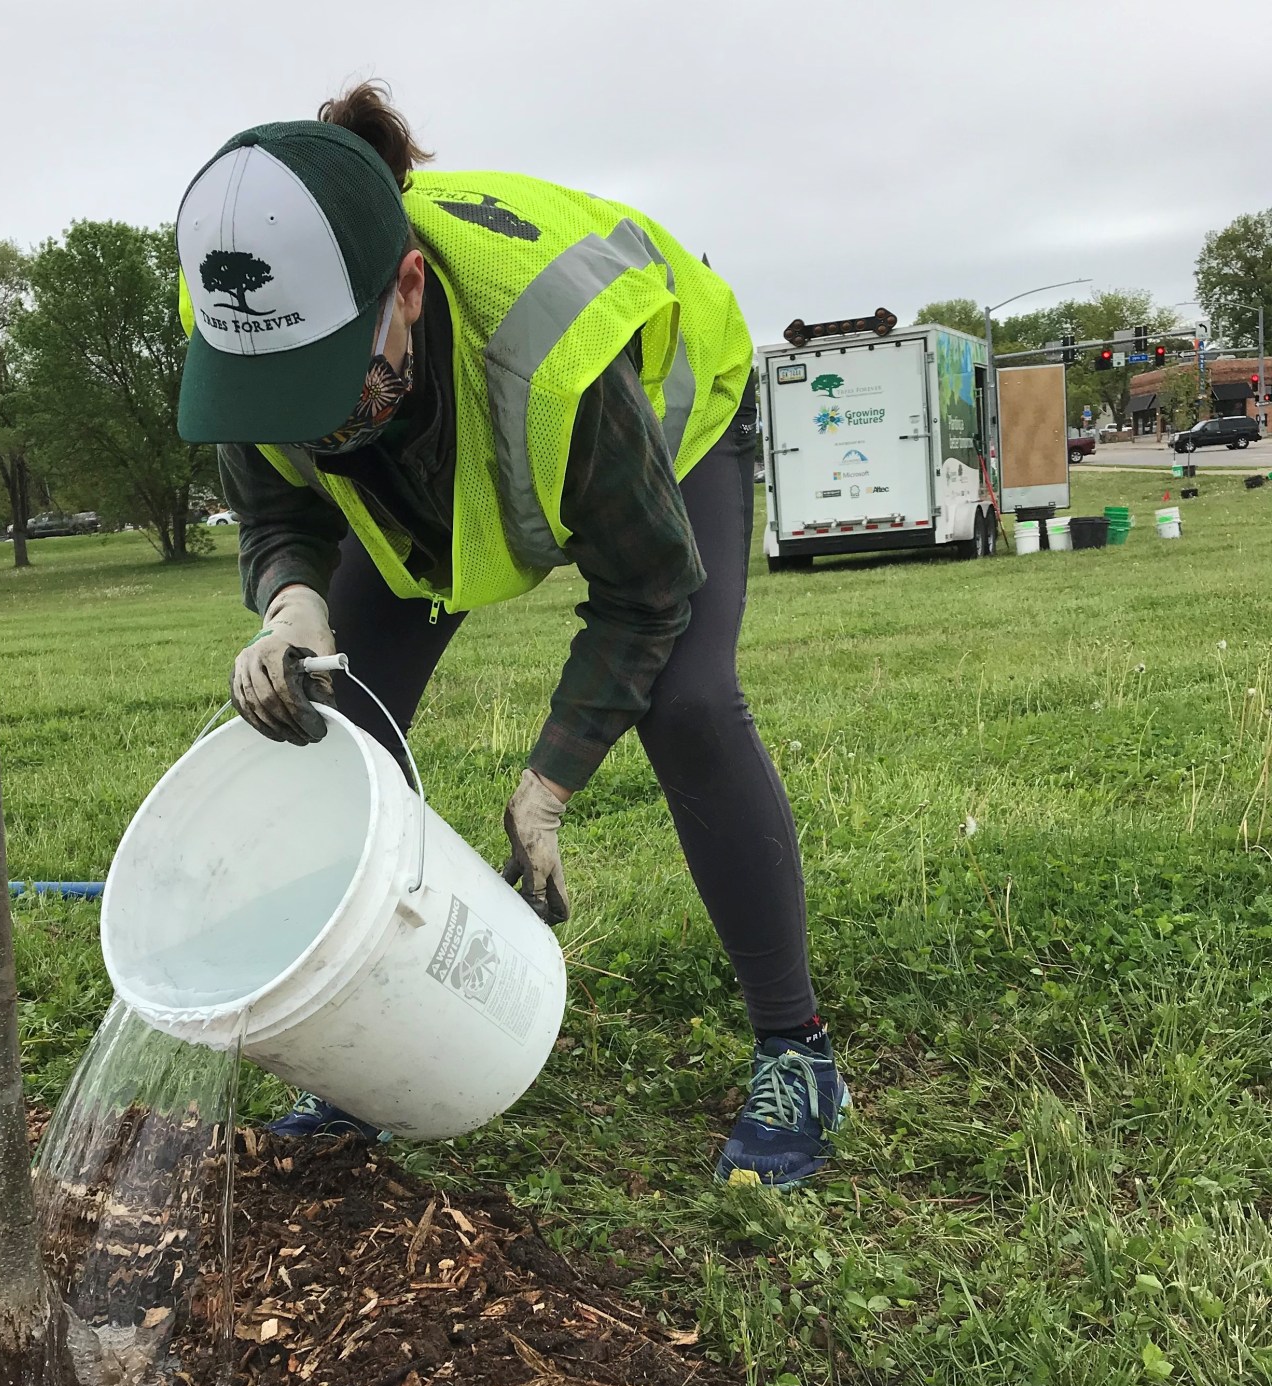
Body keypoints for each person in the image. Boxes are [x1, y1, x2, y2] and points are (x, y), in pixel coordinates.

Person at [174, 83, 849, 1185]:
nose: (307, 424)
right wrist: (292, 603)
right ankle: (366, 1060)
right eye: (282, 392)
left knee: (683, 703)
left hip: (664, 421)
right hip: (441, 473)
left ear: (407, 288)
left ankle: (797, 1052)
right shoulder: (247, 309)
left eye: (328, 387)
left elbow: (644, 593)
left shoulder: (553, 353)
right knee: (331, 724)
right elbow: (277, 507)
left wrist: (546, 788)